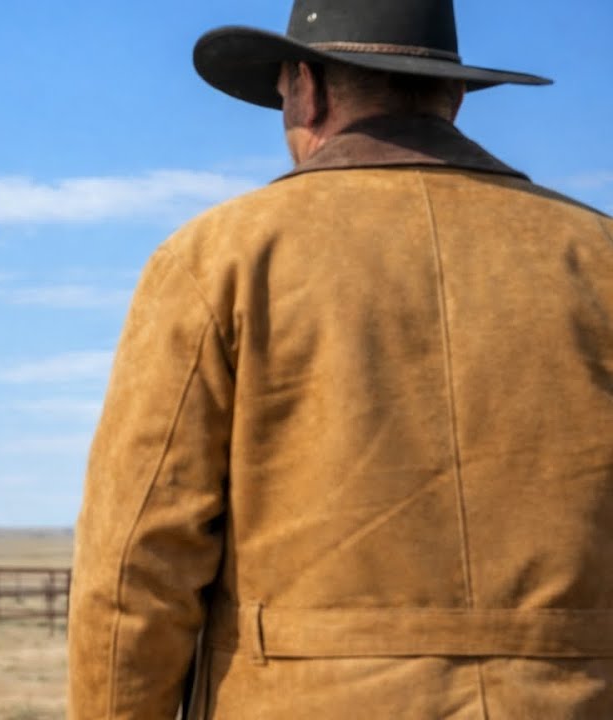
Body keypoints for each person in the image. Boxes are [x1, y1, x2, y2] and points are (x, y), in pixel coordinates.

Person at [68, 0, 613, 718]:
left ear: (307, 87)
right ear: (452, 95)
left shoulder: (218, 258)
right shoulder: (597, 257)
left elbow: (138, 562)